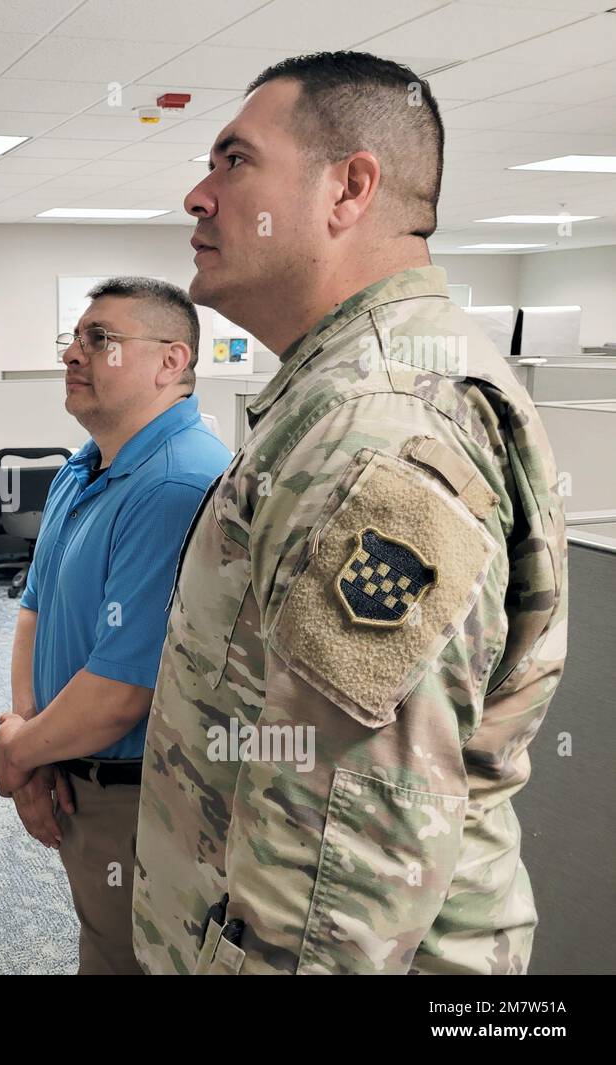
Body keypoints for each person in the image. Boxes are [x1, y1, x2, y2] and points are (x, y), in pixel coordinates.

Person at [133, 51, 568, 975]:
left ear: (349, 188)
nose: (197, 197)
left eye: (233, 161)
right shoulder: (347, 388)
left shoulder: (376, 420)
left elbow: (339, 870)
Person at [0, 278, 231, 974]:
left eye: (101, 339)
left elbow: (123, 691)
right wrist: (30, 741)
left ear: (169, 362)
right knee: (104, 942)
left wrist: (18, 753)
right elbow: (33, 606)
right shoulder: (86, 464)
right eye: (74, 336)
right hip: (72, 768)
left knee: (133, 958)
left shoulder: (176, 485)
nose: (74, 352)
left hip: (138, 794)